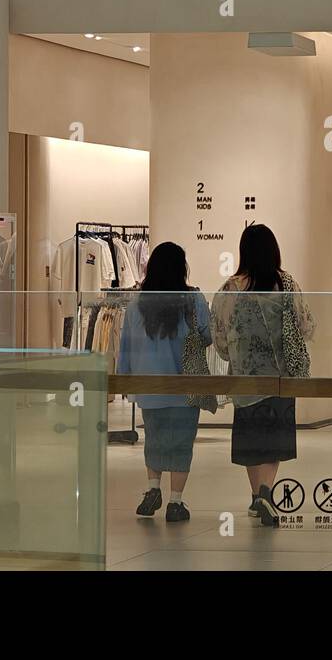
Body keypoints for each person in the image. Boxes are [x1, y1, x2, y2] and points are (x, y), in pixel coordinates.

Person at [212, 224, 315, 528]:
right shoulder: (286, 284)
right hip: (281, 377)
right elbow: (306, 325)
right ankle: (265, 491)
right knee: (274, 440)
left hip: (245, 378)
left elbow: (219, 333)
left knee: (251, 441)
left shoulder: (231, 288)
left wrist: (231, 353)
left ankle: (258, 495)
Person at [117, 242, 211, 522]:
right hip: (184, 387)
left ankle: (152, 488)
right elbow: (206, 336)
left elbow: (126, 346)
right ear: (182, 267)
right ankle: (176, 502)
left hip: (150, 386)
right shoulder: (193, 300)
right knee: (182, 444)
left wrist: (126, 382)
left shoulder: (137, 305)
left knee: (154, 440)